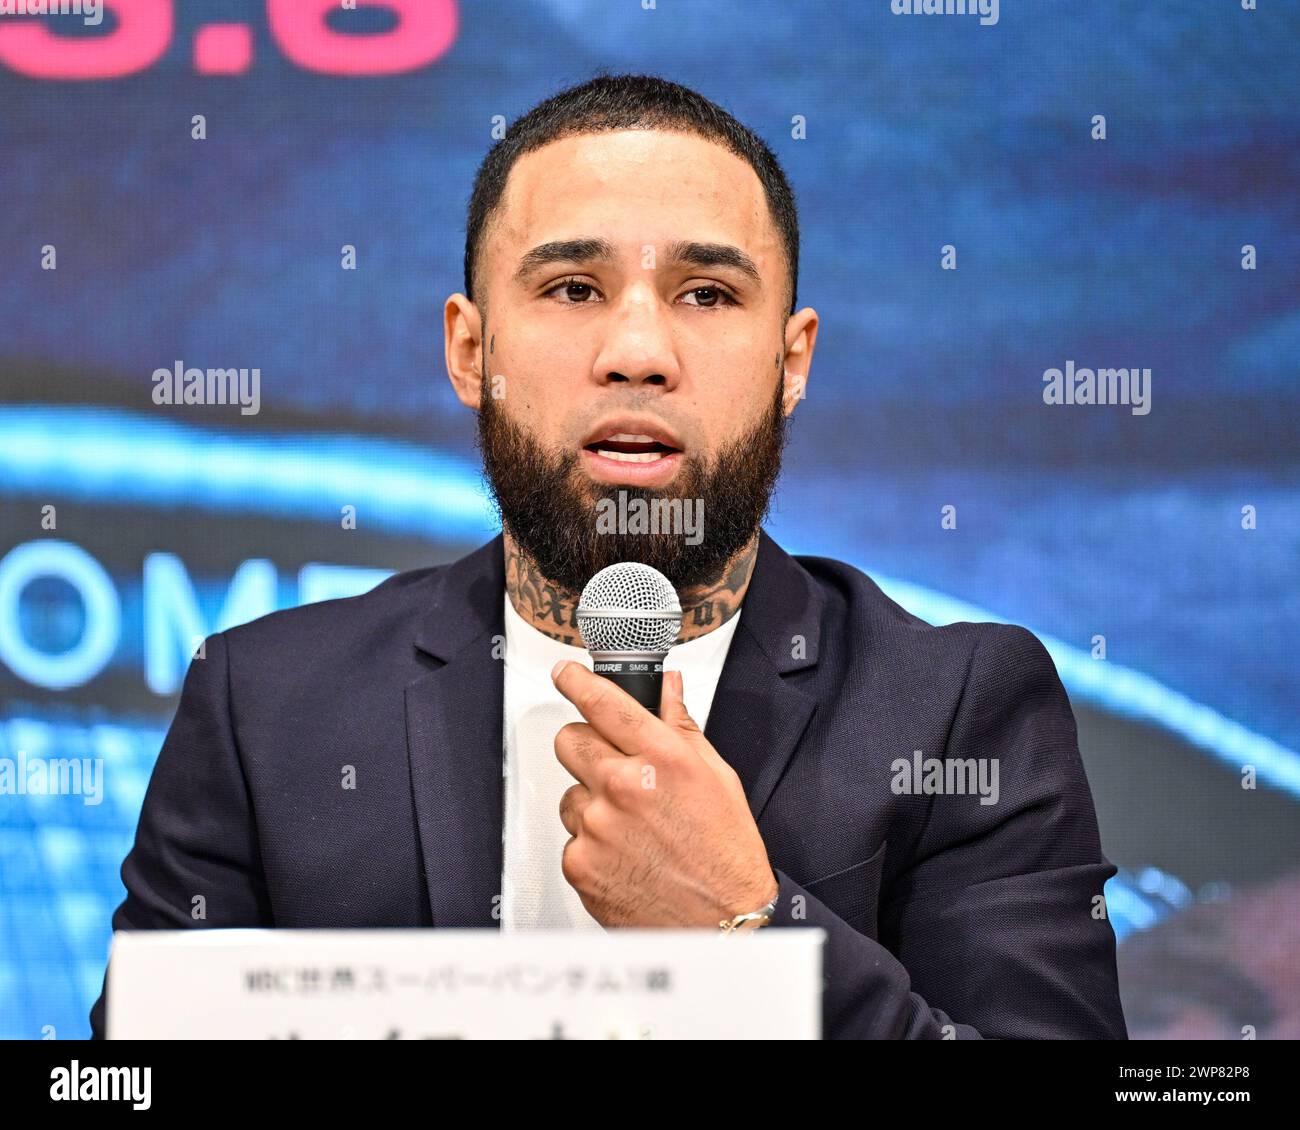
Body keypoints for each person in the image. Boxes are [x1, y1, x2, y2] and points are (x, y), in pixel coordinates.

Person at [90, 73, 1126, 1040]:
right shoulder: (266, 700)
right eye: (573, 288)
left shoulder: (956, 703)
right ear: (470, 350)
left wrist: (745, 932)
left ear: (791, 360)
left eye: (708, 294)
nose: (637, 350)